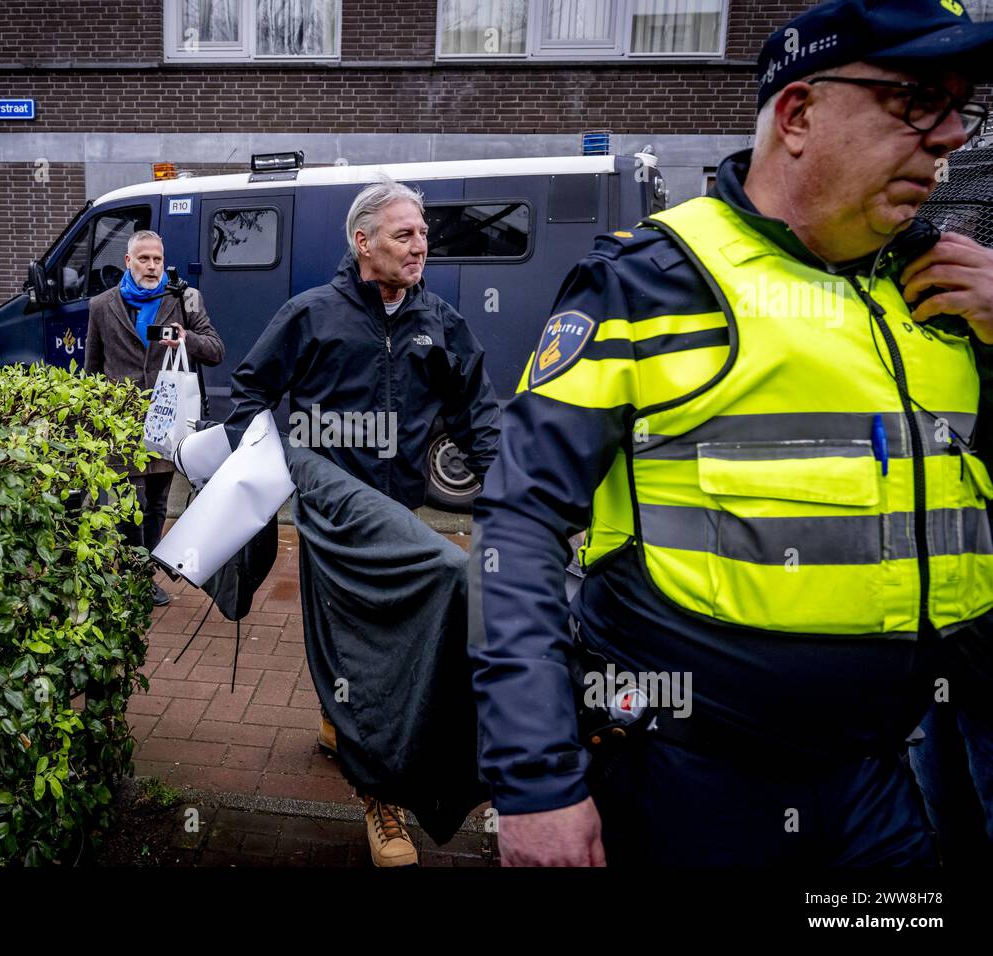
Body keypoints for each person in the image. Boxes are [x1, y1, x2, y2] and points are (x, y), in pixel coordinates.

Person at [470, 0, 993, 867]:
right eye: (914, 102)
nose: (947, 140)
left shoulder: (947, 291)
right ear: (797, 115)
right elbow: (519, 525)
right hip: (689, 788)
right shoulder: (648, 285)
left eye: (960, 110)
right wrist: (535, 783)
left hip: (879, 786)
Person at [227, 178, 500, 867]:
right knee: (355, 645)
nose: (420, 246)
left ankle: (339, 722)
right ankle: (380, 798)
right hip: (328, 512)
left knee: (391, 638)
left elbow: (477, 413)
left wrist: (510, 493)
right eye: (405, 234)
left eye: (424, 235)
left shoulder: (438, 321)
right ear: (363, 241)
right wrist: (257, 467)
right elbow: (250, 390)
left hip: (397, 512)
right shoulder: (311, 314)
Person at [85, 229, 225, 606]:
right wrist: (94, 422)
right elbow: (92, 368)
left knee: (159, 501)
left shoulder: (184, 298)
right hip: (123, 419)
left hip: (168, 417)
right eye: (143, 259)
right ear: (128, 261)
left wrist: (186, 339)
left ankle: (142, 573)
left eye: (157, 259)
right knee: (132, 500)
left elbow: (216, 350)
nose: (151, 266)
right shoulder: (101, 305)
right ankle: (133, 569)